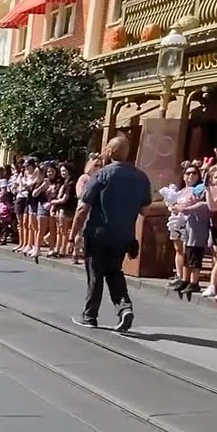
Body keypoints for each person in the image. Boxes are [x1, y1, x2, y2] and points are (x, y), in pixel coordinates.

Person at [71, 136, 151, 331]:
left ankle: (90, 315)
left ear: (108, 151)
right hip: (123, 235)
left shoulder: (102, 175)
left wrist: (73, 233)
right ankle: (124, 308)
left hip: (98, 232)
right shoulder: (141, 177)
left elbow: (83, 207)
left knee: (96, 274)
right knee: (115, 272)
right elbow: (145, 210)